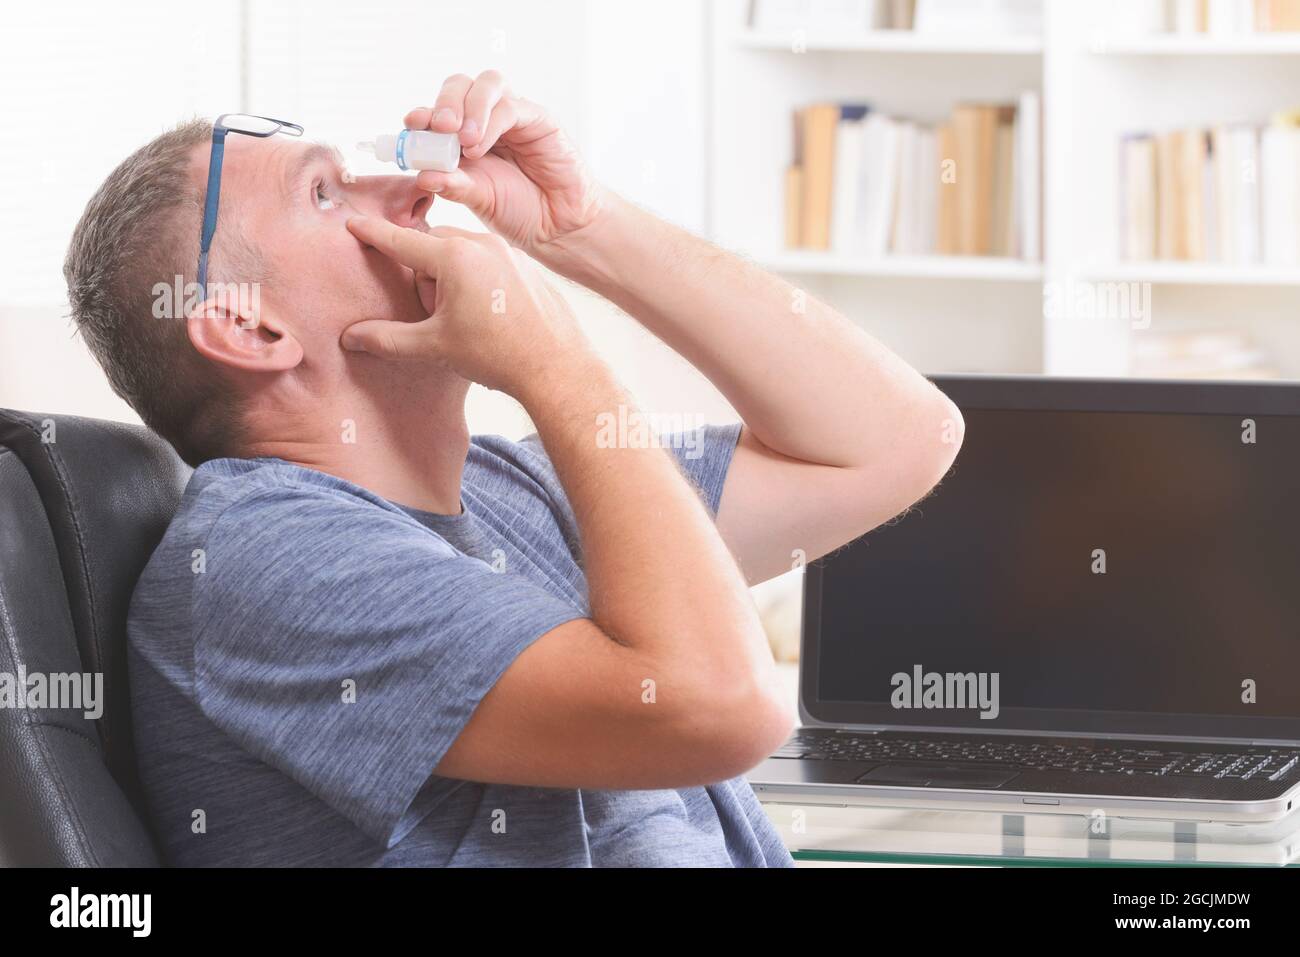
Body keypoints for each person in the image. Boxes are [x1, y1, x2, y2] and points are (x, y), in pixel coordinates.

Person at [64, 71, 964, 866]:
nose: (413, 189)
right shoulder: (267, 557)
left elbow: (898, 440)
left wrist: (581, 226)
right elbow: (722, 708)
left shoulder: (513, 491)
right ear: (248, 327)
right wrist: (555, 364)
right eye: (329, 194)